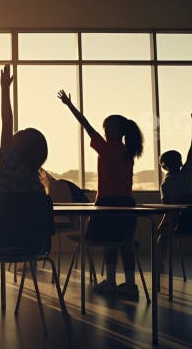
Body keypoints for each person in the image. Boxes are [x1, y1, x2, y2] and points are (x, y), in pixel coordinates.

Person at [58, 89, 144, 299]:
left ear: (113, 131)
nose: (103, 131)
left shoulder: (105, 148)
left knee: (108, 242)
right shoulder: (128, 151)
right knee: (124, 243)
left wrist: (70, 106)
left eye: (106, 128)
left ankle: (111, 281)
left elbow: (85, 124)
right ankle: (130, 284)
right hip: (127, 204)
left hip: (106, 203)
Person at [0, 65, 47, 195]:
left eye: (21, 133)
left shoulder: (9, 162)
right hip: (25, 216)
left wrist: (4, 90)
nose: (17, 132)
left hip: (0, 215)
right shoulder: (36, 185)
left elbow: (7, 122)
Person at [157, 111, 192, 271]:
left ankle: (160, 262)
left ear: (164, 166)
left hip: (179, 221)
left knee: (162, 235)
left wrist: (162, 224)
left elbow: (167, 211)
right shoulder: (187, 172)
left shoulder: (165, 185)